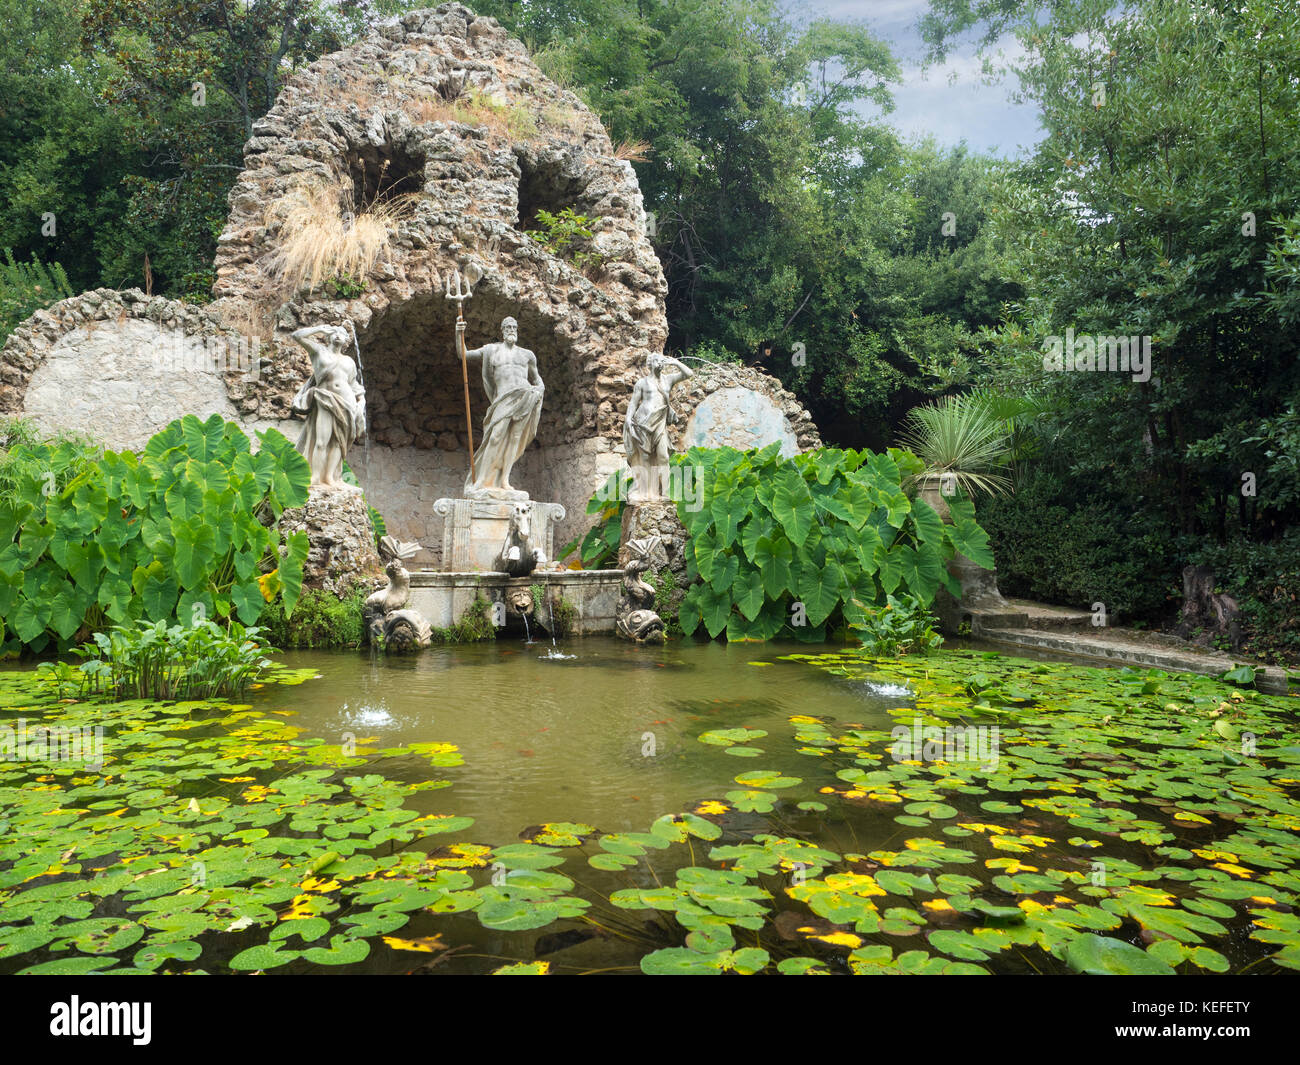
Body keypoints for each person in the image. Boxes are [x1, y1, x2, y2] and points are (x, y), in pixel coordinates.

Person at [456, 316, 544, 497]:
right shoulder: (491, 350)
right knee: (495, 436)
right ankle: (481, 480)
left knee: (515, 438)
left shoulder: (527, 355)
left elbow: (536, 378)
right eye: (508, 327)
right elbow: (463, 355)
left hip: (525, 397)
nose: (512, 330)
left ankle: (505, 479)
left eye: (514, 327)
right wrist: (459, 332)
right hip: (503, 399)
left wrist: (540, 389)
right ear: (502, 331)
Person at [289, 324, 366, 488]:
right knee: (321, 440)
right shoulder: (319, 352)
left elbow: (354, 386)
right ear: (329, 336)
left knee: (338, 442)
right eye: (335, 332)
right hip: (325, 399)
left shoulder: (349, 362)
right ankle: (316, 476)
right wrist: (320, 329)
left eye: (343, 334)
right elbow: (297, 335)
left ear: (347, 340)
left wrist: (361, 403)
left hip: (347, 403)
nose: (338, 335)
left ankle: (331, 478)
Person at [623, 352, 693, 502]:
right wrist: (628, 418)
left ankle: (666, 492)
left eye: (662, 361)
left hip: (660, 422)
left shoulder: (668, 380)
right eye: (657, 361)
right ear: (650, 364)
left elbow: (689, 373)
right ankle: (646, 492)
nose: (660, 363)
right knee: (645, 458)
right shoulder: (642, 383)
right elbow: (634, 403)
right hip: (643, 422)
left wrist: (675, 362)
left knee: (664, 456)